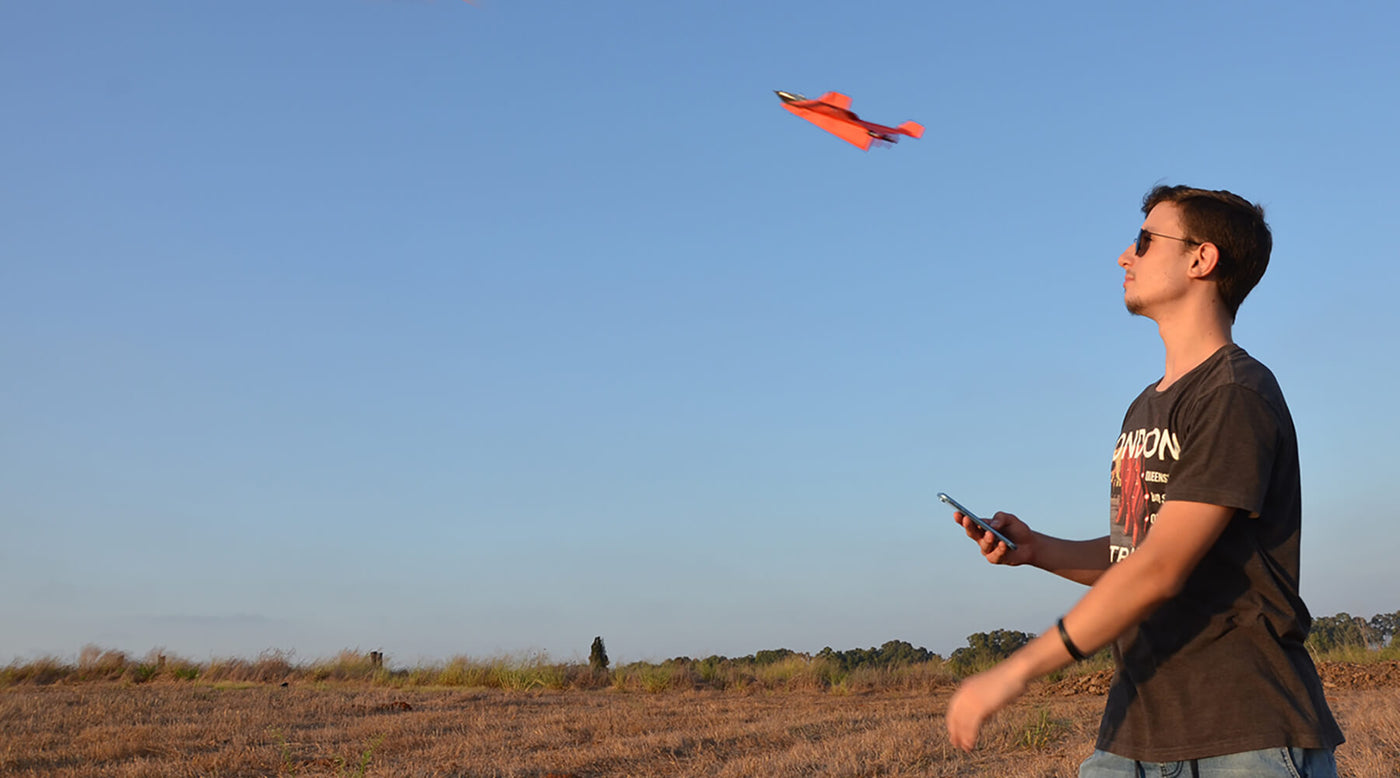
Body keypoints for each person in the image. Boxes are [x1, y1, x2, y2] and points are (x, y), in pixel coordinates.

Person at [944, 185, 1344, 776]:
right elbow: (1136, 554)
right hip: (1136, 729)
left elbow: (1159, 571)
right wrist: (1037, 550)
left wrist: (1013, 671)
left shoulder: (1234, 394)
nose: (1124, 256)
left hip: (1243, 734)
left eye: (1144, 240)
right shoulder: (1144, 408)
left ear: (1200, 260)